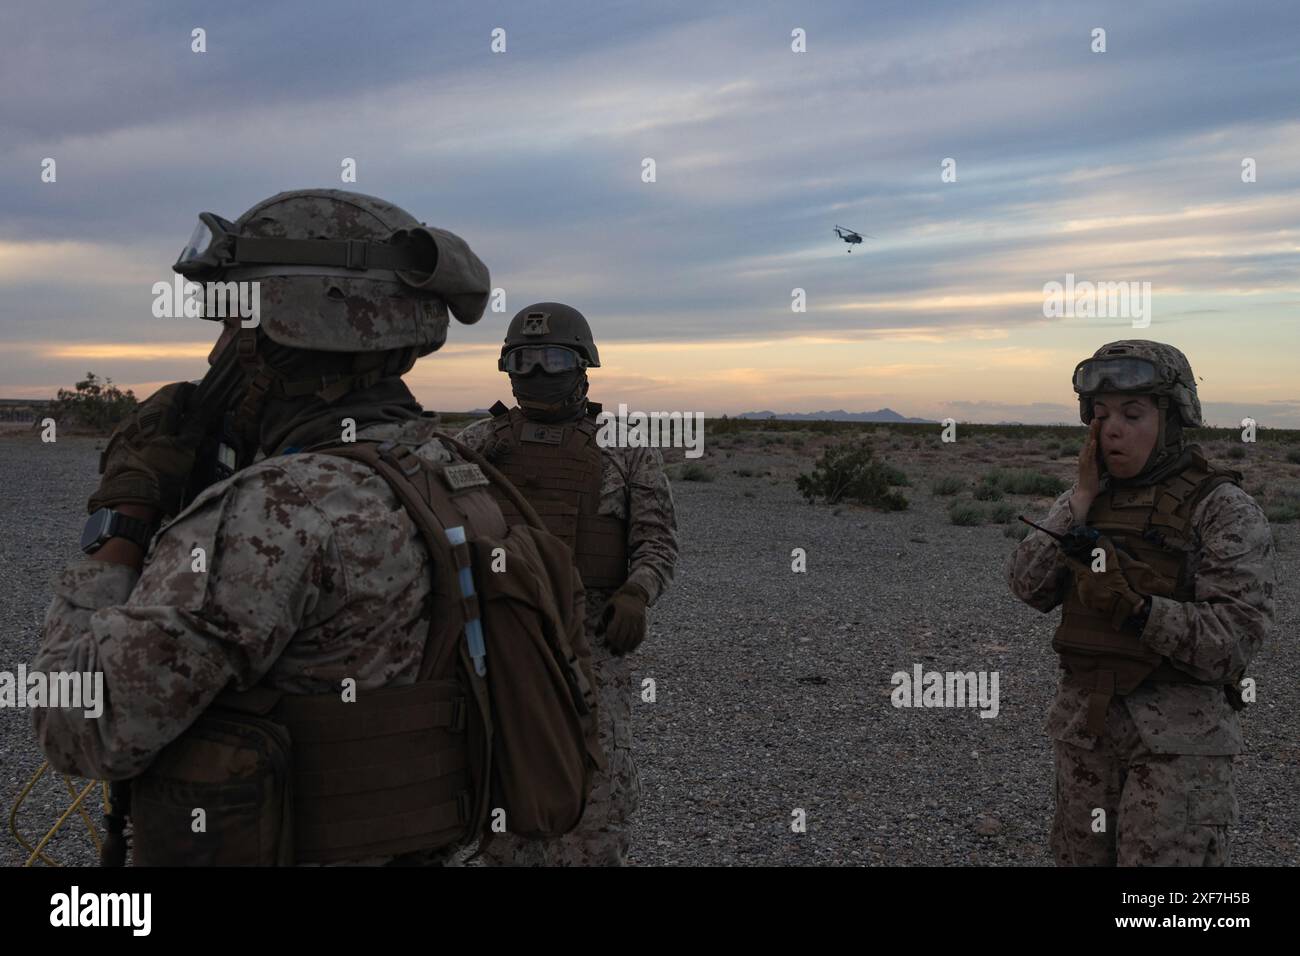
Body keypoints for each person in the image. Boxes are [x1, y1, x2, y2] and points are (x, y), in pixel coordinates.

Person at [29, 188, 533, 865]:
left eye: (235, 326)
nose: (222, 351)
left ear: (283, 336)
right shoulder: (451, 469)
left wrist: (122, 516)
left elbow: (79, 727)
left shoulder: (275, 511)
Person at [1006, 339, 1276, 866]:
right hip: (1086, 735)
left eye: (1132, 414)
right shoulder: (1083, 499)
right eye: (1101, 415)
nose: (1112, 429)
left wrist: (1141, 610)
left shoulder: (1222, 510)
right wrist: (1079, 506)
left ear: (1172, 420)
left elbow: (1235, 642)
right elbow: (1026, 586)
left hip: (1180, 749)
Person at [456, 302, 679, 865]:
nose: (536, 372)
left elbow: (655, 541)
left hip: (592, 638)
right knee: (503, 767)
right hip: (498, 633)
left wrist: (637, 593)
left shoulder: (626, 450)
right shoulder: (472, 446)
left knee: (597, 774)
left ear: (583, 366)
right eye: (522, 360)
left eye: (551, 358)